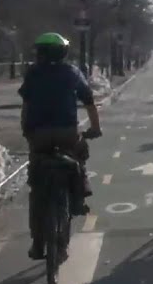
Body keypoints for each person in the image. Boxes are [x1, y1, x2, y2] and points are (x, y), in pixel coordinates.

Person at [19, 32, 101, 261]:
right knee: (79, 156)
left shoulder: (33, 74)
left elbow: (25, 106)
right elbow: (89, 102)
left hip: (39, 135)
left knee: (37, 187)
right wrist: (95, 128)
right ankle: (79, 197)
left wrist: (26, 131)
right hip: (67, 133)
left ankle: (37, 243)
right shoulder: (72, 73)